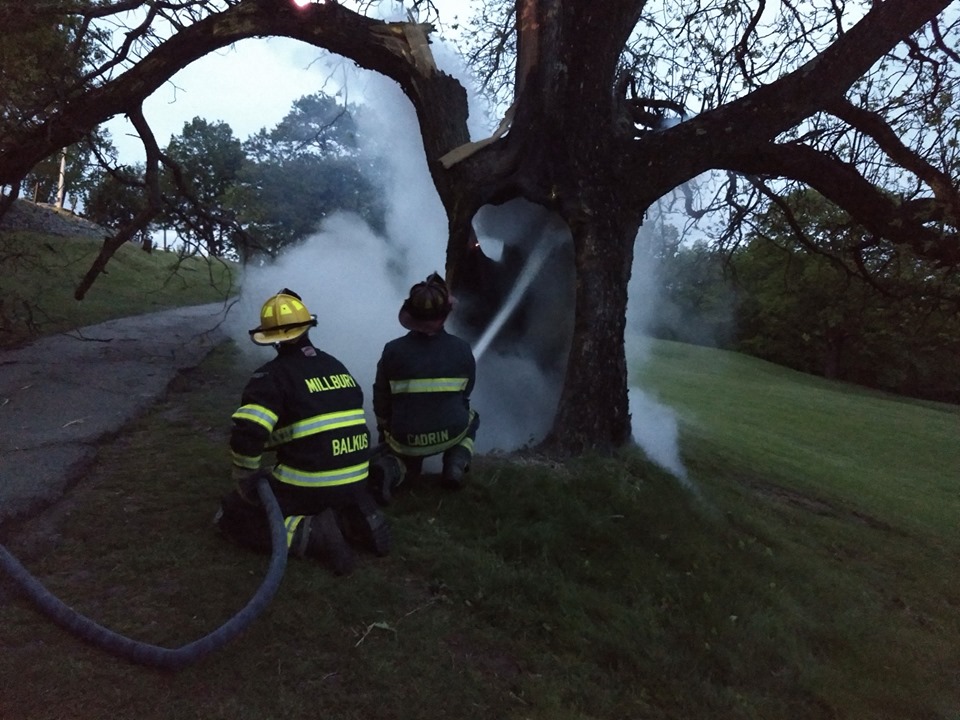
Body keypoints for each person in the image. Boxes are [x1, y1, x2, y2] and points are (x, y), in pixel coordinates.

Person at [214, 289, 390, 575]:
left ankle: (314, 532)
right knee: (321, 488)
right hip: (358, 477)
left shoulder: (270, 376)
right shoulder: (336, 365)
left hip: (310, 485)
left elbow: (248, 434)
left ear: (270, 338)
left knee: (233, 514)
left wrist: (245, 479)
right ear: (307, 327)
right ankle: (353, 516)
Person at [369, 272, 479, 504]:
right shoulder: (462, 349)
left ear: (410, 314)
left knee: (403, 458)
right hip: (451, 432)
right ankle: (455, 465)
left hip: (406, 439)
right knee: (472, 419)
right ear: (444, 314)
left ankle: (391, 470)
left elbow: (381, 398)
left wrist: (385, 431)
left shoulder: (393, 351)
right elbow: (465, 393)